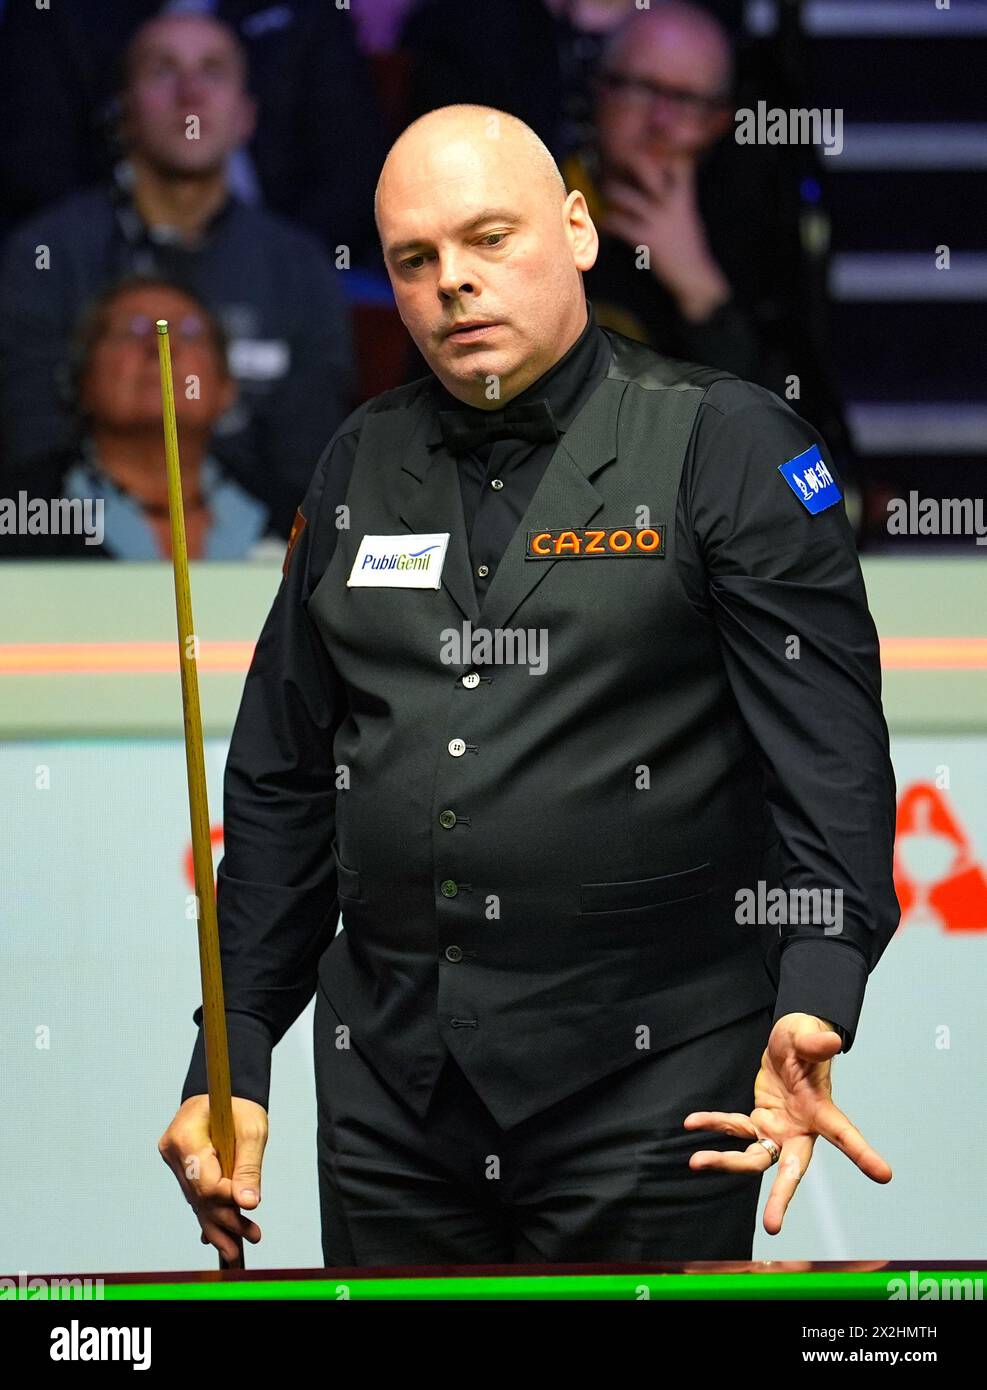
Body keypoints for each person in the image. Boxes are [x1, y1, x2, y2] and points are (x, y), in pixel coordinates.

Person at [158, 104, 898, 1266]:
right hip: (391, 1104)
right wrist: (233, 1054)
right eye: (415, 259)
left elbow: (831, 763)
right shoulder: (359, 460)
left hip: (655, 1088)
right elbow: (284, 789)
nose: (452, 282)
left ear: (579, 230)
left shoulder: (725, 446)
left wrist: (816, 988)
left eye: (489, 238)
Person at [0, 10, 352, 539]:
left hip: (257, 560)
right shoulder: (44, 252)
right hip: (67, 556)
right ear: (124, 114)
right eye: (163, 71)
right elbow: (30, 453)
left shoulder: (300, 267)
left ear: (246, 116)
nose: (190, 94)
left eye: (213, 71)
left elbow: (310, 468)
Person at [0, 276, 272, 560]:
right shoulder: (14, 513)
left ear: (226, 388)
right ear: (82, 380)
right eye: (132, 330)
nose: (161, 346)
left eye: (190, 332)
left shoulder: (298, 519)